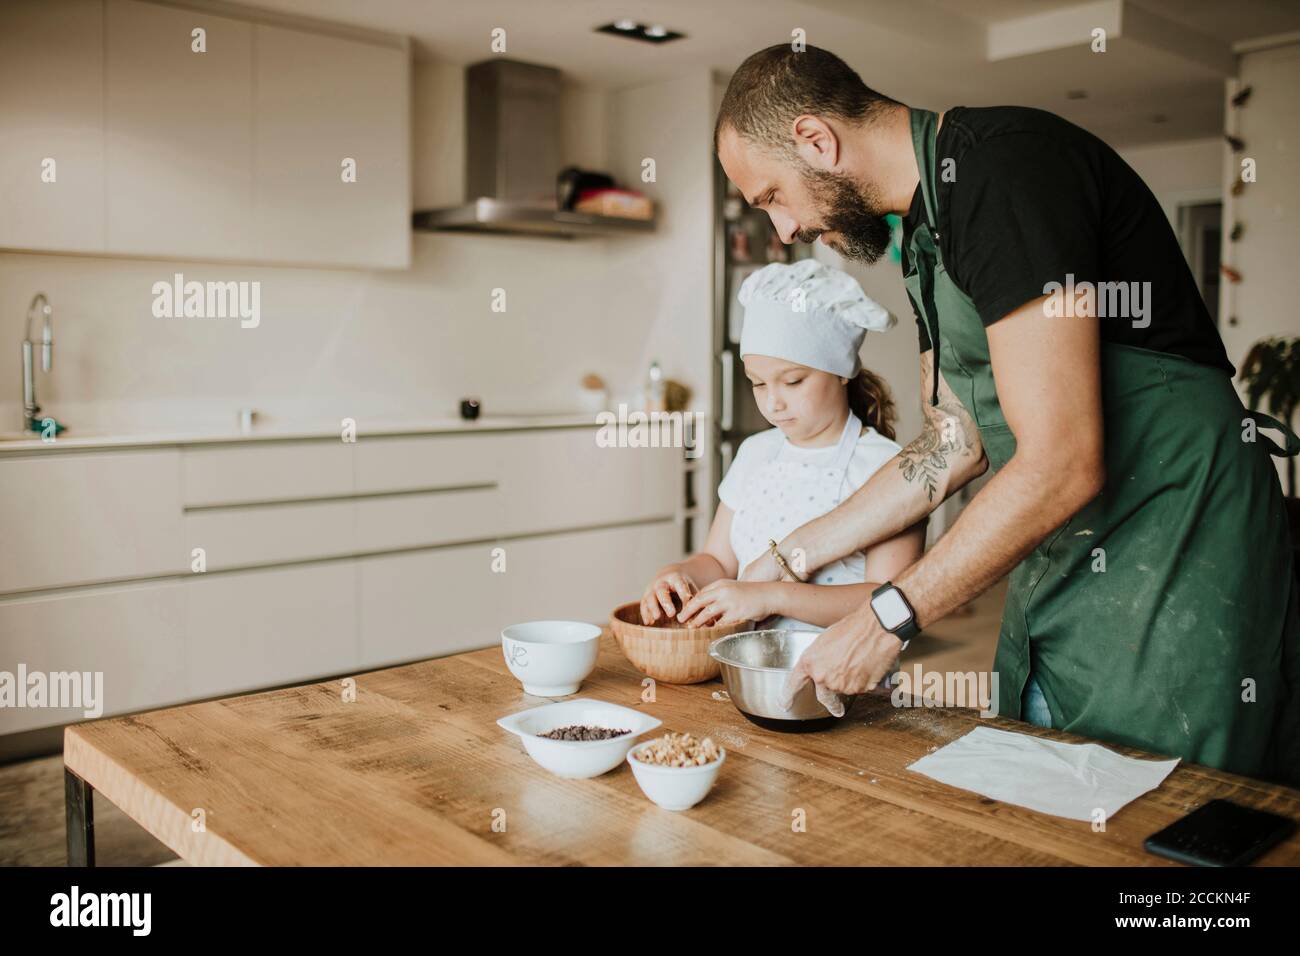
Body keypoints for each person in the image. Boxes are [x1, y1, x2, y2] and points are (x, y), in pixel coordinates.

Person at [714, 44, 1300, 784]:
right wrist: (786, 557)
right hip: (1065, 547)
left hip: (1175, 542)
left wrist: (890, 615)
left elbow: (1062, 458)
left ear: (815, 140)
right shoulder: (923, 237)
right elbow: (953, 443)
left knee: (1164, 806)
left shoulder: (1004, 171)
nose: (784, 231)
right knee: (1051, 782)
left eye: (771, 196)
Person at [639, 259, 925, 642]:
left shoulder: (888, 467)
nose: (773, 403)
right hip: (747, 670)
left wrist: (771, 597)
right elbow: (719, 561)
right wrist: (679, 575)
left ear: (841, 371)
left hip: (848, 681)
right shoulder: (754, 453)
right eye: (758, 384)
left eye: (792, 381)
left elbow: (890, 604)